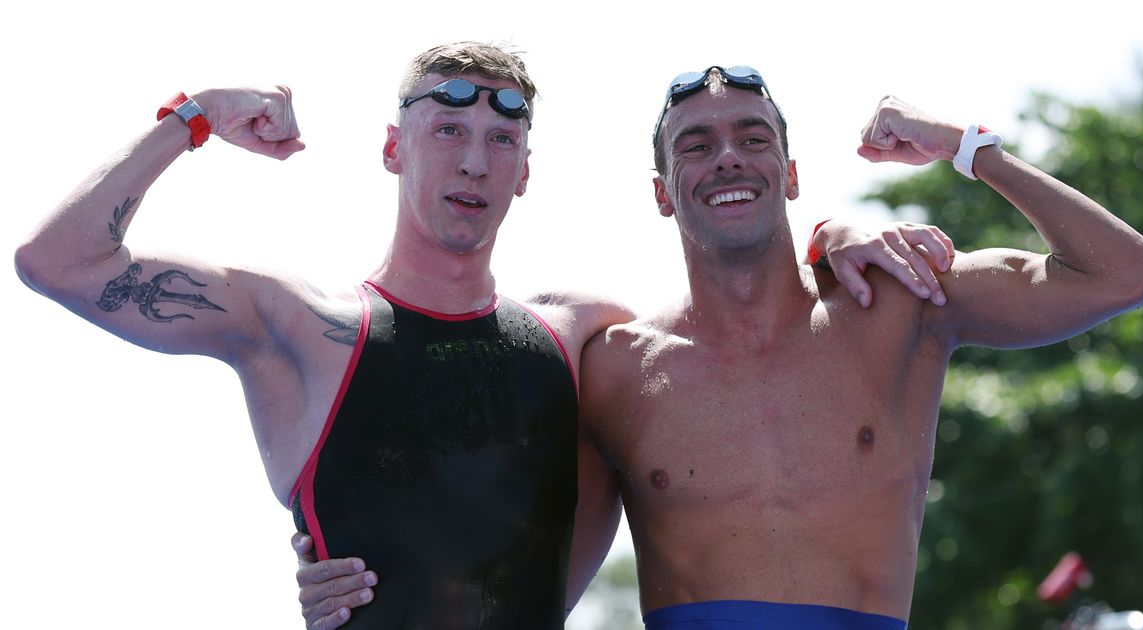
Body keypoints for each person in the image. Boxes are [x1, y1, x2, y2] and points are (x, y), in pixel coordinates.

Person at [15, 47, 954, 629]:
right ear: (393, 148)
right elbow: (57, 262)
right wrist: (200, 114)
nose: (474, 157)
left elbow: (748, 311)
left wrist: (837, 233)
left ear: (527, 172)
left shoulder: (581, 332)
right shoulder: (298, 328)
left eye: (501, 140)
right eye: (447, 128)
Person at [296, 65, 1143, 628]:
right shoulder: (612, 368)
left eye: (754, 140)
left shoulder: (899, 304)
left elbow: (1126, 275)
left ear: (789, 174)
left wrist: (963, 148)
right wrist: (346, 577)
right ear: (663, 193)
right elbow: (508, 584)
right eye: (697, 146)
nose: (729, 161)